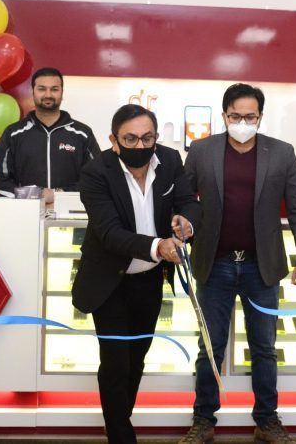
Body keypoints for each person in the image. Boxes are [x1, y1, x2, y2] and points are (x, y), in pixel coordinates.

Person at [178, 83, 296, 444]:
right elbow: (184, 200)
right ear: (224, 115)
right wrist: (180, 230)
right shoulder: (202, 151)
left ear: (260, 117)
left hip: (261, 266)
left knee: (264, 348)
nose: (242, 122)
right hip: (215, 264)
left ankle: (267, 420)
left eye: (250, 116)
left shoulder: (281, 153)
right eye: (235, 116)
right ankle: (203, 420)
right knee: (210, 348)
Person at [72, 104, 202, 443]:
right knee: (116, 362)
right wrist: (159, 246)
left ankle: (119, 418)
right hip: (109, 282)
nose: (140, 145)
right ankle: (120, 433)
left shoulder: (170, 160)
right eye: (130, 139)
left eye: (147, 138)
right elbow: (110, 233)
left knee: (137, 357)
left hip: (150, 280)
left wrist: (186, 222)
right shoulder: (96, 172)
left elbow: (188, 201)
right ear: (114, 140)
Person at [0, 67, 99, 201]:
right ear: (33, 92)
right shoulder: (13, 134)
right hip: (26, 212)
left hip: (70, 212)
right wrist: (34, 195)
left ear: (62, 92)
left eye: (54, 89)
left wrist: (59, 194)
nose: (48, 95)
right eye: (42, 89)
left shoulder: (82, 134)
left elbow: (96, 178)